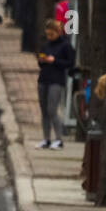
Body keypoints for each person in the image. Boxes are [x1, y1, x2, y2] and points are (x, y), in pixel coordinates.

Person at [36, 18, 73, 150]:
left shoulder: (65, 45)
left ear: (58, 32)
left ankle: (59, 139)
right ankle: (46, 139)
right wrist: (42, 60)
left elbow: (69, 63)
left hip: (56, 80)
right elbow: (40, 62)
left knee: (52, 110)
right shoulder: (46, 45)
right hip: (43, 78)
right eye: (48, 34)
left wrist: (54, 60)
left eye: (52, 34)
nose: (49, 37)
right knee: (44, 111)